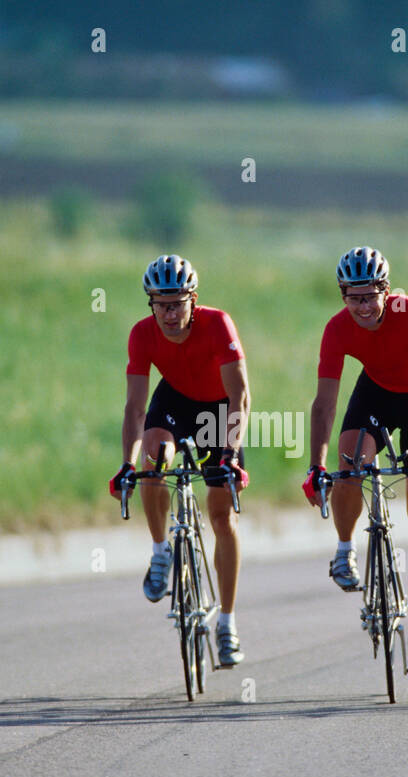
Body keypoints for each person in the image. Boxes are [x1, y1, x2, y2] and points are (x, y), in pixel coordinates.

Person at [303, 247, 408, 673]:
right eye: (355, 298)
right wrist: (316, 466)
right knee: (348, 466)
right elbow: (324, 404)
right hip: (377, 393)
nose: (364, 307)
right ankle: (346, 549)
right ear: (342, 296)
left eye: (371, 296)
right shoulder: (336, 329)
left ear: (386, 291)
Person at [109, 255, 251, 667]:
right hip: (172, 402)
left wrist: (229, 453)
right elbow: (136, 408)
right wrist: (126, 464)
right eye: (160, 304)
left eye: (177, 304)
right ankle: (160, 552)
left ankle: (227, 622)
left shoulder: (218, 325)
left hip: (218, 411)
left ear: (193, 300)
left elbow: (240, 396)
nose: (169, 314)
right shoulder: (141, 334)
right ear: (150, 303)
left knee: (222, 517)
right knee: (153, 461)